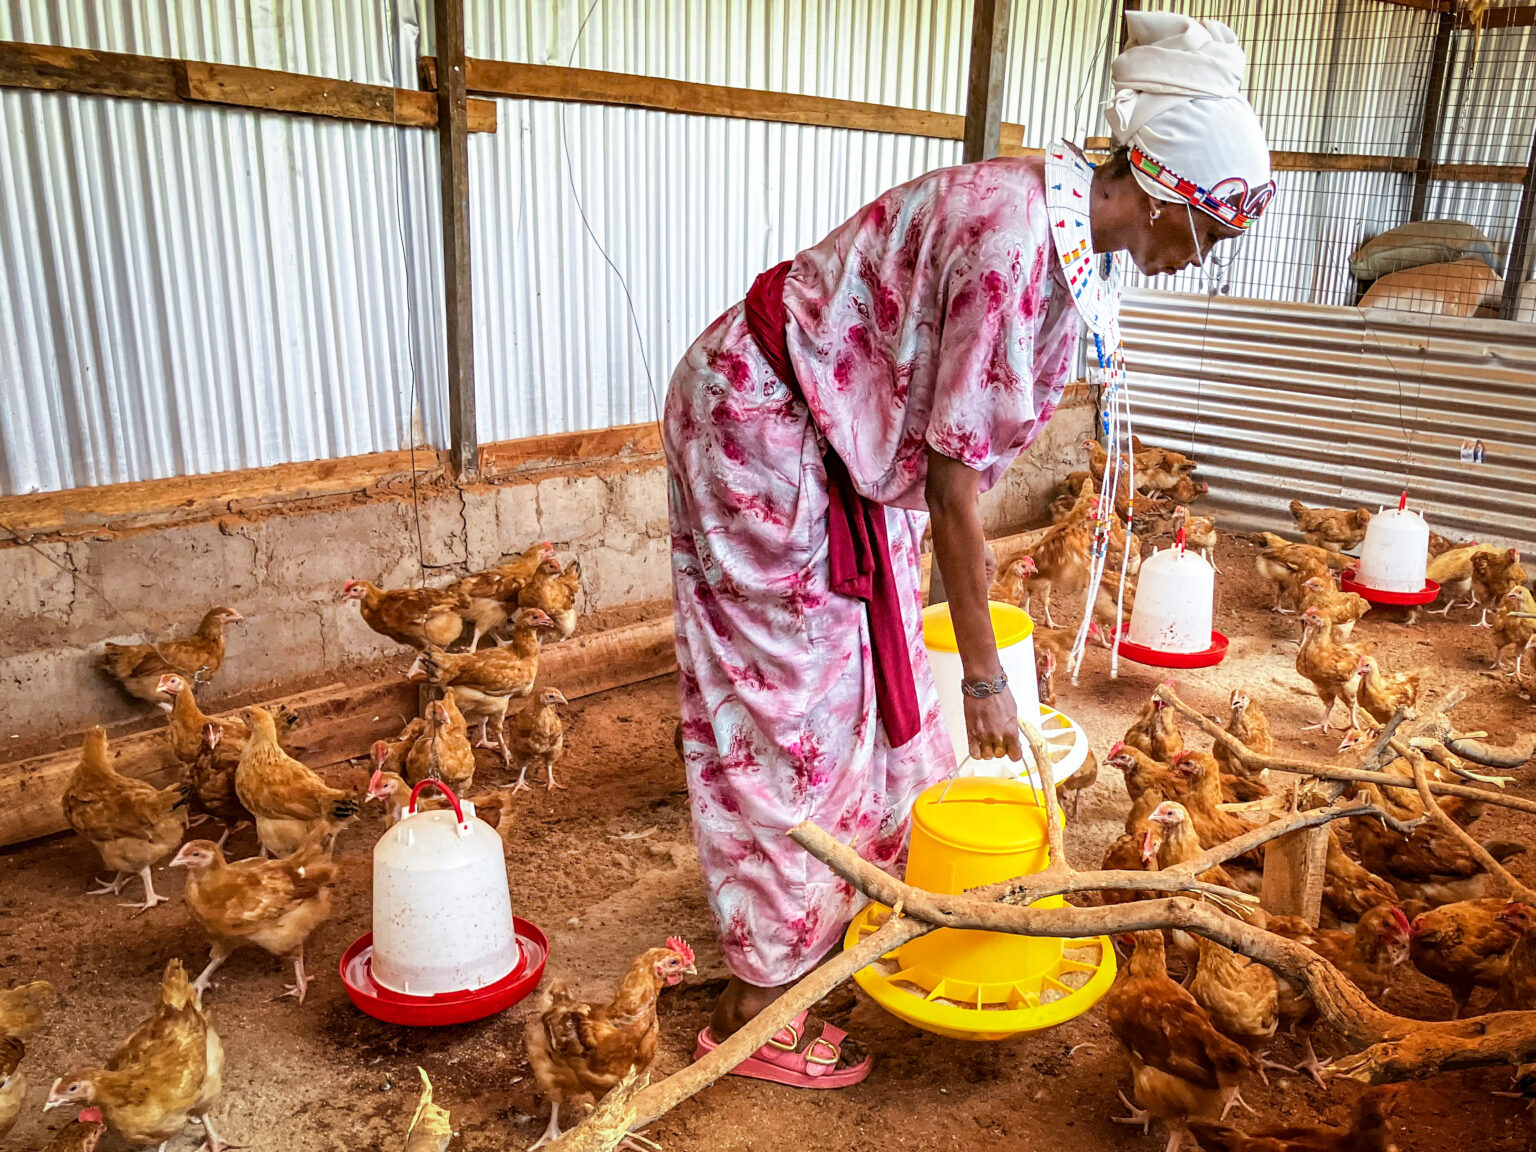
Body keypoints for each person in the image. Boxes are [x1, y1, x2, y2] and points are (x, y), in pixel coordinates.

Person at [667, 12, 1275, 1087]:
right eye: (1211, 231)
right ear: (1169, 188)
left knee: (868, 676)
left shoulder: (1067, 227)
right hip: (764, 421)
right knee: (782, 705)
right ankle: (755, 1000)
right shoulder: (1015, 243)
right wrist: (988, 678)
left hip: (843, 442)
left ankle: (839, 907)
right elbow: (955, 484)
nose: (1206, 256)